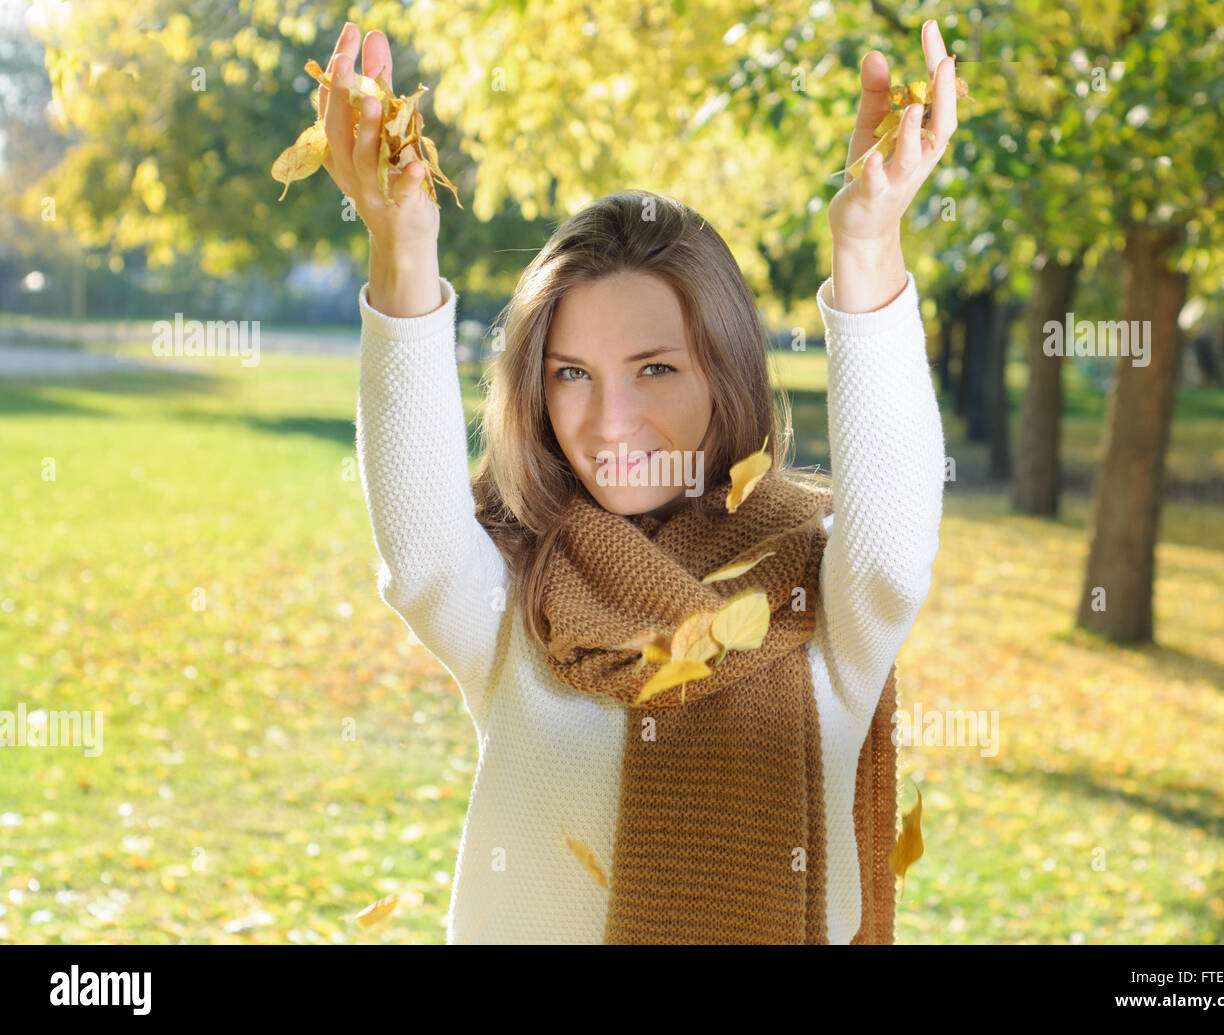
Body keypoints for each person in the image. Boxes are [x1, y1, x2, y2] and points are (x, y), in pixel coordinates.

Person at [321, 18, 955, 944]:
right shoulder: (521, 591)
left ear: (723, 375)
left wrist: (866, 248)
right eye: (572, 372)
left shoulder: (820, 587)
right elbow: (420, 560)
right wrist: (401, 244)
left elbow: (895, 555)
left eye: (655, 368)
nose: (609, 422)